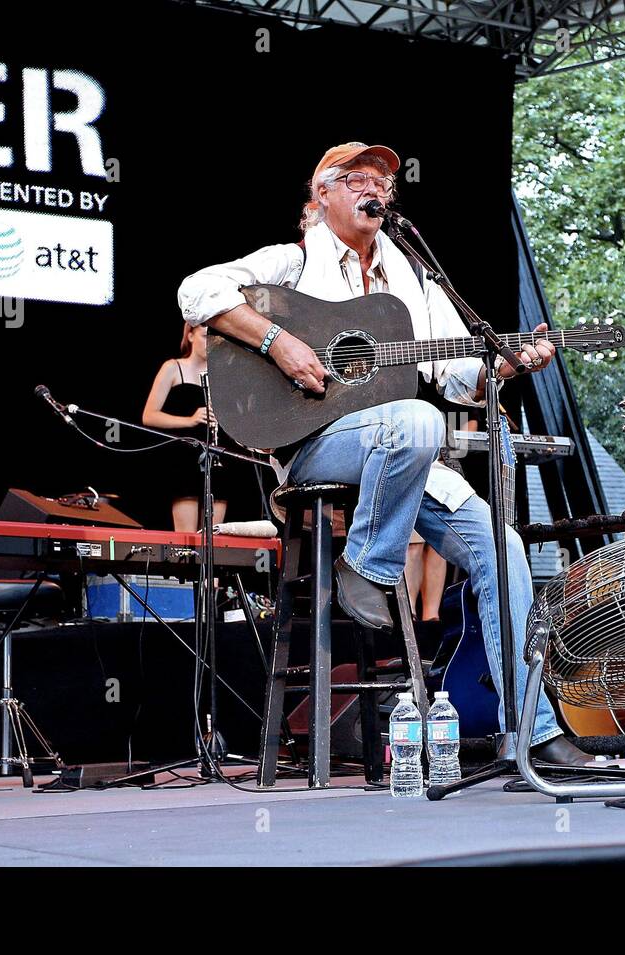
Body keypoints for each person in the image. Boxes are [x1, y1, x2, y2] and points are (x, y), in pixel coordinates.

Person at [177, 142, 593, 766]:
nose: (375, 189)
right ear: (323, 195)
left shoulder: (413, 277)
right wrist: (279, 341)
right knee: (418, 421)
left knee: (502, 549)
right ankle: (369, 567)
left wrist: (507, 363)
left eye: (383, 182)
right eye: (357, 179)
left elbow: (458, 376)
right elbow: (196, 290)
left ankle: (530, 733)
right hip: (316, 448)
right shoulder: (290, 262)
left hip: (402, 453)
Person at [142, 322, 266, 530]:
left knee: (213, 537)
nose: (209, 343)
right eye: (203, 336)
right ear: (190, 335)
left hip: (217, 458)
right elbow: (149, 416)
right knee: (186, 541)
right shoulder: (173, 367)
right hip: (183, 460)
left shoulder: (221, 375)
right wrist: (190, 420)